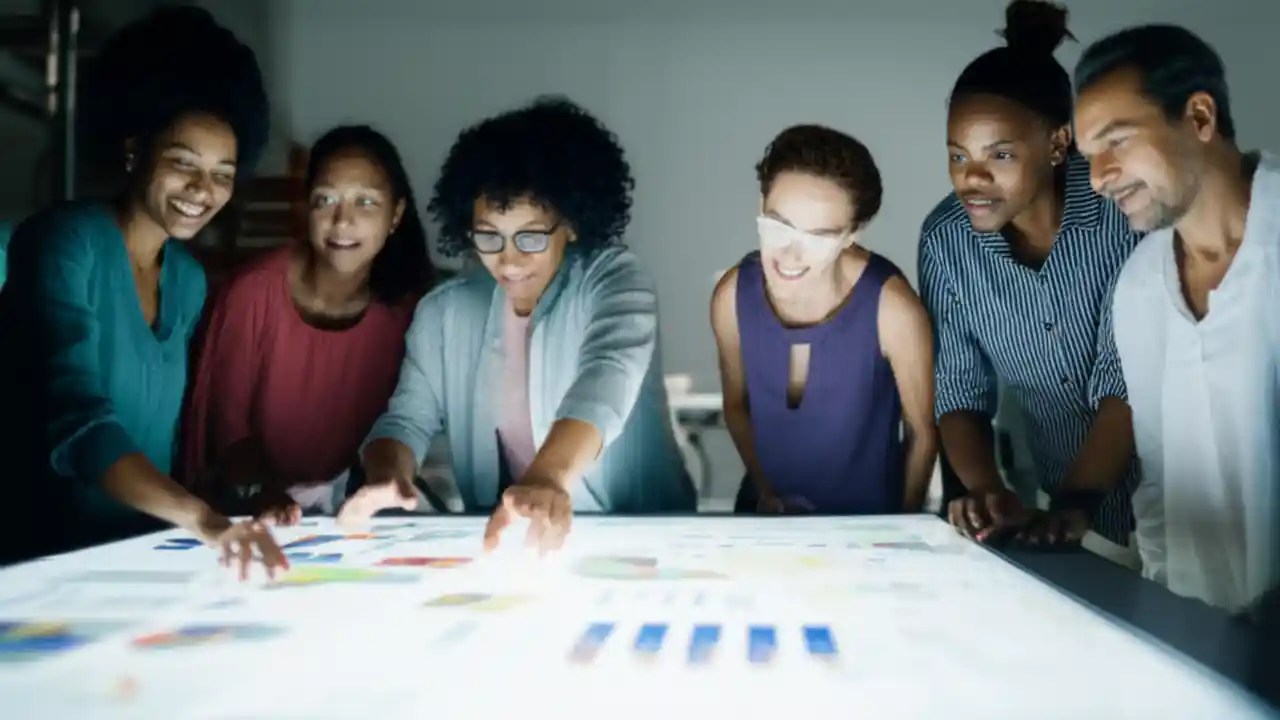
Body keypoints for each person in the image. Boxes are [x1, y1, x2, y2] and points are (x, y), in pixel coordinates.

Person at [0, 7, 287, 577]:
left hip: (135, 556)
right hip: (36, 559)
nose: (202, 191)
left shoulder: (188, 280)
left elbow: (175, 438)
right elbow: (80, 425)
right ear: (135, 151)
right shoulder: (63, 241)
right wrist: (204, 520)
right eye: (183, 164)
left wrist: (249, 495)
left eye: (223, 173)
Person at [339, 97, 695, 552]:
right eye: (489, 236)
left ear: (572, 224)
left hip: (643, 541)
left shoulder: (616, 281)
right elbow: (405, 420)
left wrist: (548, 477)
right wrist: (388, 478)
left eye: (530, 236)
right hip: (513, 545)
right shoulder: (444, 313)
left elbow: (604, 384)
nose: (508, 260)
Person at [1040, 24, 1277, 612]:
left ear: (1199, 117)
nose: (1098, 178)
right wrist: (1170, 611)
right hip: (1207, 640)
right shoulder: (1141, 285)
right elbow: (1160, 481)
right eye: (1090, 156)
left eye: (1116, 141)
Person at [917, 0, 1142, 562]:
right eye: (957, 155)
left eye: (1001, 154)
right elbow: (958, 390)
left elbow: (1131, 382)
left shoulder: (1124, 216)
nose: (972, 177)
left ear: (1059, 144)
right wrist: (987, 492)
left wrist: (1076, 500)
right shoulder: (947, 241)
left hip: (1174, 503)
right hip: (1066, 517)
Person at [182, 126, 435, 524]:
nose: (343, 221)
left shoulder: (411, 312)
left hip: (354, 516)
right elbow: (225, 434)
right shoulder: (252, 293)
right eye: (326, 200)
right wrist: (268, 495)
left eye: (365, 202)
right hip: (244, 515)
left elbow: (406, 428)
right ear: (305, 209)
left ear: (395, 215)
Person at [711, 125, 936, 514]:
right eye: (778, 226)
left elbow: (923, 435)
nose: (790, 254)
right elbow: (736, 406)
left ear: (852, 233)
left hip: (868, 532)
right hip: (763, 523)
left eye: (818, 236)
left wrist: (902, 531)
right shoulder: (732, 296)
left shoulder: (893, 310)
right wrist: (766, 490)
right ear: (760, 205)